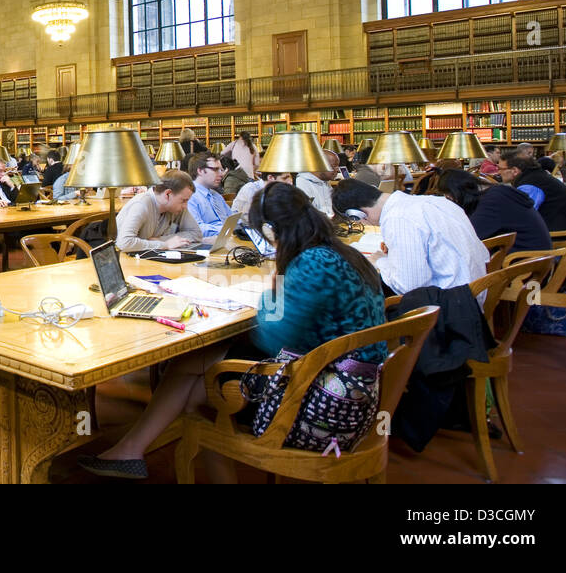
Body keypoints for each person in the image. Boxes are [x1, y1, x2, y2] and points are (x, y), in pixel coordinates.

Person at [81, 182, 386, 479]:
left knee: (198, 386)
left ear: (270, 230)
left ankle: (131, 449)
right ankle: (129, 450)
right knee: (196, 365)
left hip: (323, 403)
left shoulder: (312, 263)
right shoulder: (343, 254)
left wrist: (270, 295)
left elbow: (275, 337)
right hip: (354, 390)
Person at [331, 178, 487, 295]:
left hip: (451, 305)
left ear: (358, 215)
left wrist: (380, 261)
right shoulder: (436, 201)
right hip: (476, 289)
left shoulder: (398, 218)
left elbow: (409, 286)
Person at [437, 169, 551, 253]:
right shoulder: (498, 194)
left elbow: (470, 236)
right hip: (537, 260)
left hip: (524, 267)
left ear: (458, 192)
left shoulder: (493, 201)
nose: (449, 201)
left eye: (449, 196)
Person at [498, 149, 566, 231]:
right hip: (565, 230)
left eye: (501, 169)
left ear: (514, 171)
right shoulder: (537, 176)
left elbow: (521, 216)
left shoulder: (530, 185)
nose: (498, 172)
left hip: (563, 237)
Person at [114, 172, 201, 252]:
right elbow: (124, 243)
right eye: (184, 200)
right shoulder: (142, 204)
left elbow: (196, 233)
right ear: (167, 194)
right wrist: (165, 245)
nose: (185, 206)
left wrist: (161, 240)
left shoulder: (175, 207)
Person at [185, 152, 229, 237]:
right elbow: (197, 229)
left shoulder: (216, 196)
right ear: (200, 171)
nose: (221, 174)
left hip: (225, 238)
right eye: (215, 169)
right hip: (207, 242)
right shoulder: (190, 196)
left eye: (221, 170)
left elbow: (231, 219)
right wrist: (225, 229)